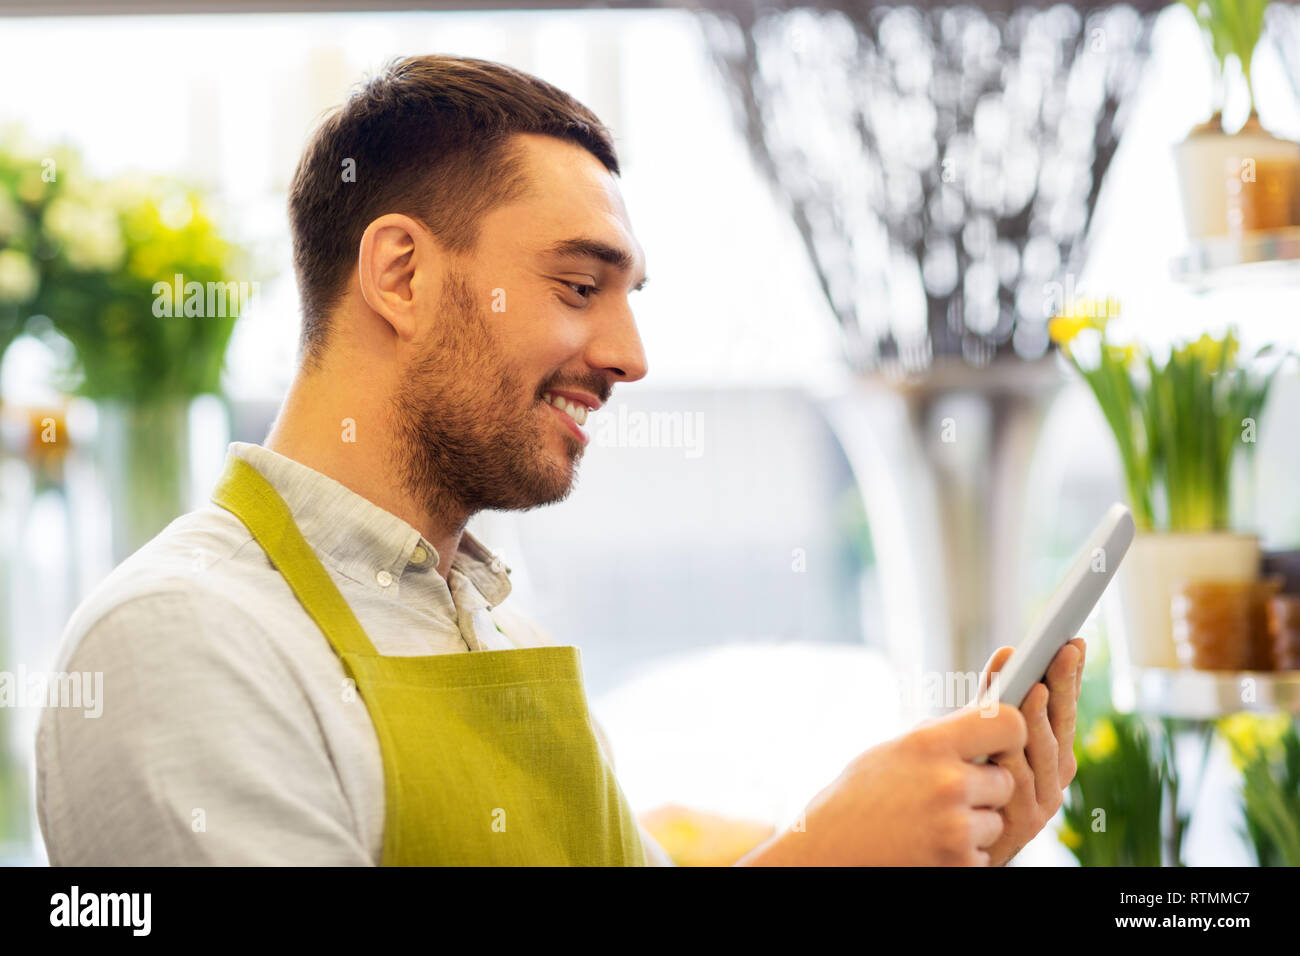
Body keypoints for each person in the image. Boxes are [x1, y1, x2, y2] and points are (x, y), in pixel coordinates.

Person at [36, 54, 1082, 867]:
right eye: (581, 286)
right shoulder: (182, 636)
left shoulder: (501, 628)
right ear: (400, 273)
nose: (629, 354)